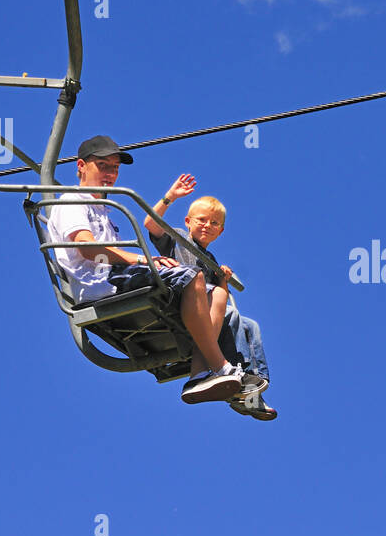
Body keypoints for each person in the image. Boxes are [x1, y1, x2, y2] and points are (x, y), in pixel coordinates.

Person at [43, 134, 243, 404]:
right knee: (188, 275)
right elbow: (88, 249)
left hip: (114, 275)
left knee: (216, 295)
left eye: (115, 168)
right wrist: (141, 260)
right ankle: (218, 365)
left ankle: (204, 375)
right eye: (103, 166)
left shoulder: (103, 209)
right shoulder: (71, 201)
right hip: (102, 283)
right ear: (81, 166)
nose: (111, 174)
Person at [144, 181, 278, 421]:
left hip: (207, 303)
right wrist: (169, 198)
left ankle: (253, 384)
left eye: (214, 223)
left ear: (221, 231)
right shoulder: (177, 238)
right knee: (232, 316)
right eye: (201, 220)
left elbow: (220, 293)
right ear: (188, 221)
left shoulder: (210, 259)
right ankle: (230, 373)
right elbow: (151, 224)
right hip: (182, 296)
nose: (207, 226)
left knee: (251, 325)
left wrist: (222, 278)